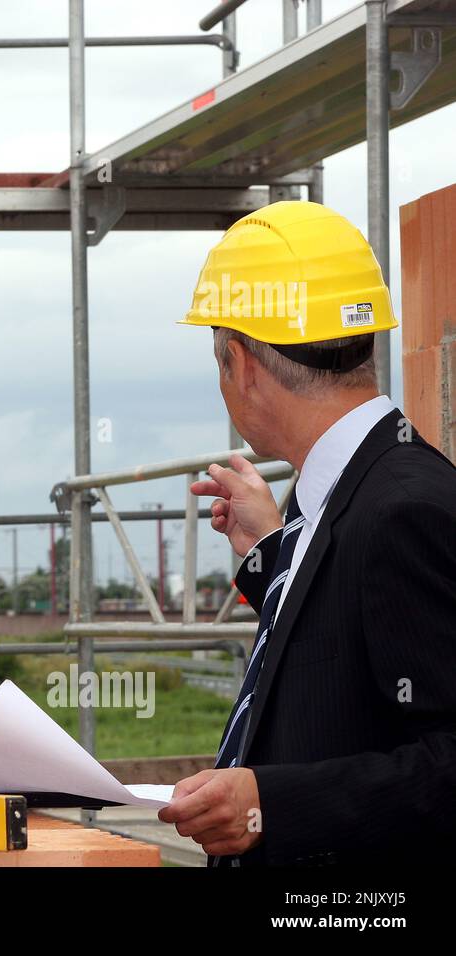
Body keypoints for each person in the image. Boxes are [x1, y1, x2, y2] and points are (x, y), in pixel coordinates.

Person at [158, 200, 456, 865]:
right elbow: (345, 659)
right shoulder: (353, 493)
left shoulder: (402, 511)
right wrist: (278, 557)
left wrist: (271, 803)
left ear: (240, 363)